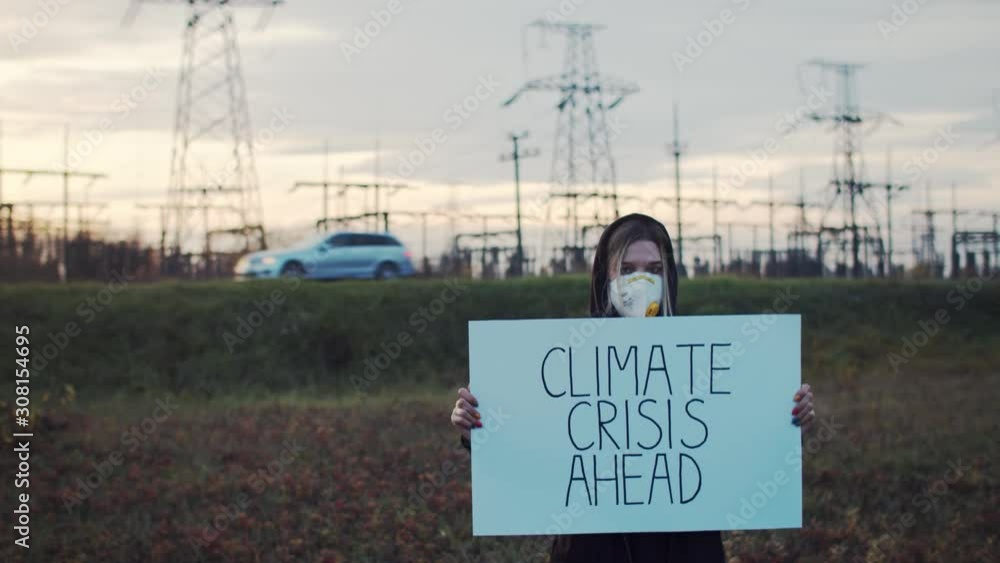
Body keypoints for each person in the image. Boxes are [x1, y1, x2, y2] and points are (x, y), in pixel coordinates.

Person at [450, 213, 815, 563]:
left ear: (669, 276)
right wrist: (475, 430)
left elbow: (736, 445)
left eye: (654, 269)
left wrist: (786, 424)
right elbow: (535, 444)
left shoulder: (706, 354)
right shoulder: (570, 355)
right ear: (605, 276)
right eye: (627, 270)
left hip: (685, 549)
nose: (642, 281)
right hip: (593, 550)